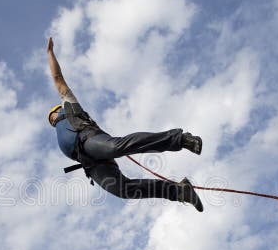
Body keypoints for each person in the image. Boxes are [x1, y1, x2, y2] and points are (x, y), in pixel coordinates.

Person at [46, 37, 204, 212]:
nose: (52, 119)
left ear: (58, 109)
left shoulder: (68, 104)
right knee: (123, 190)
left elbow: (57, 78)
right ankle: (180, 191)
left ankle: (181, 140)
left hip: (89, 140)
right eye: (50, 120)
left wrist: (50, 53)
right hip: (89, 163)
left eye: (52, 115)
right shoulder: (59, 132)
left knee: (116, 147)